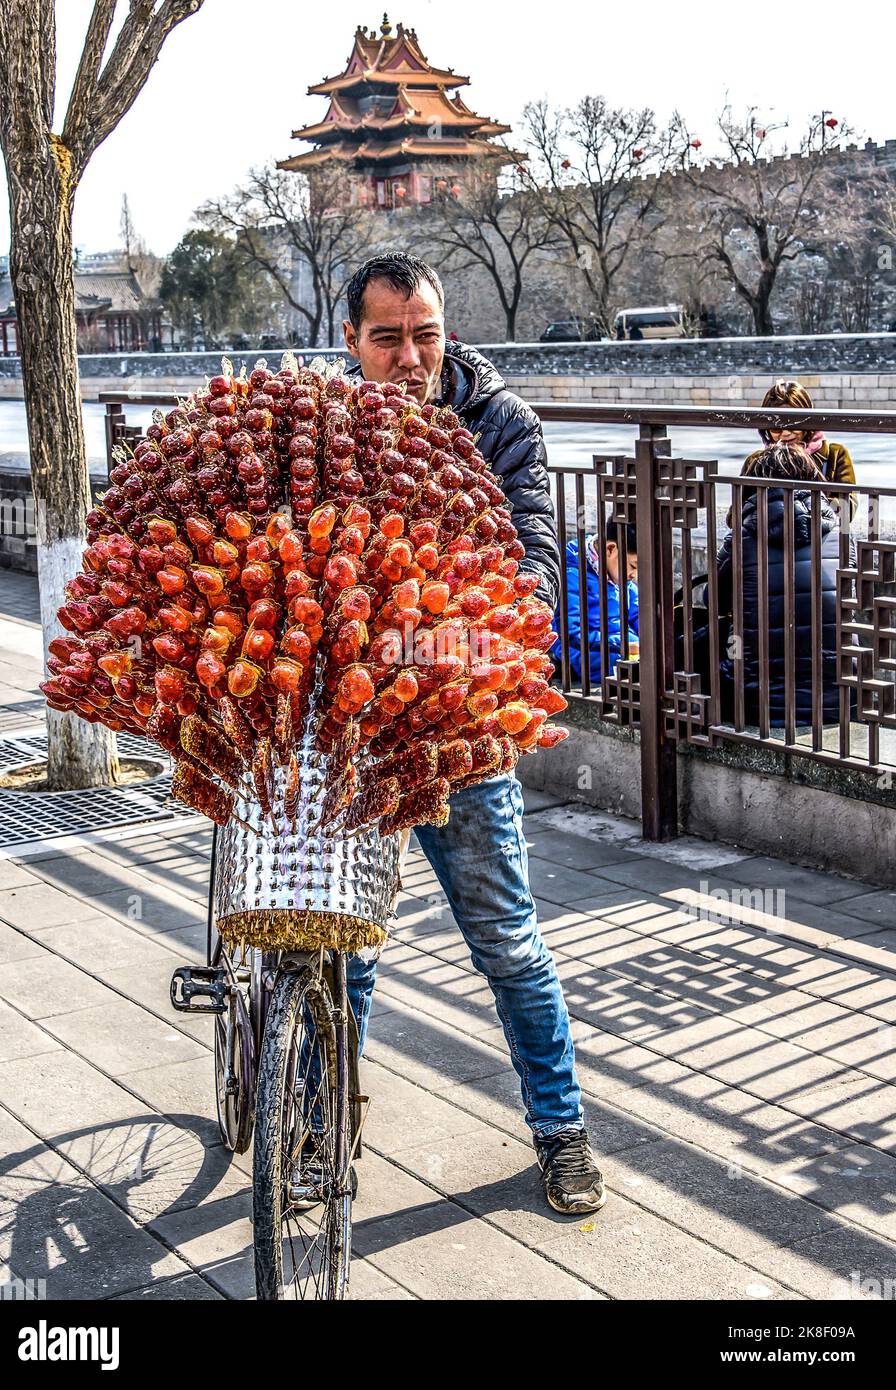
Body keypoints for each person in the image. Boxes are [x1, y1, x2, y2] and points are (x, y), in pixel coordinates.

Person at [339, 251, 604, 1214]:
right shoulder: (325, 423)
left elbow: (531, 556)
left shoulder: (500, 425)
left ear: (445, 331)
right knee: (346, 943)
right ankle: (324, 1123)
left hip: (459, 720)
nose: (408, 358)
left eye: (425, 335)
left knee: (505, 940)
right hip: (351, 727)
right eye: (386, 339)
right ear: (352, 341)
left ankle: (562, 1130)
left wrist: (440, 632)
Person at [717, 443, 849, 726]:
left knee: (725, 642)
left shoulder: (740, 540)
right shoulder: (841, 539)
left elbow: (714, 598)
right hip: (840, 699)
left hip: (758, 703)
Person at [746, 380, 857, 515]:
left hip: (818, 535)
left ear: (808, 421)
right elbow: (733, 516)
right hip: (771, 536)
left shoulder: (835, 454)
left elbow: (848, 508)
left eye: (793, 423)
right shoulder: (756, 460)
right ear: (766, 428)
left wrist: (800, 507)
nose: (785, 433)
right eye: (775, 426)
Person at [551, 520, 639, 684]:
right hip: (588, 654)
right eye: (633, 566)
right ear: (610, 549)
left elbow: (638, 614)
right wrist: (622, 646)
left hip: (625, 648)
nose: (635, 574)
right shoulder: (572, 575)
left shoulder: (619, 578)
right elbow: (571, 636)